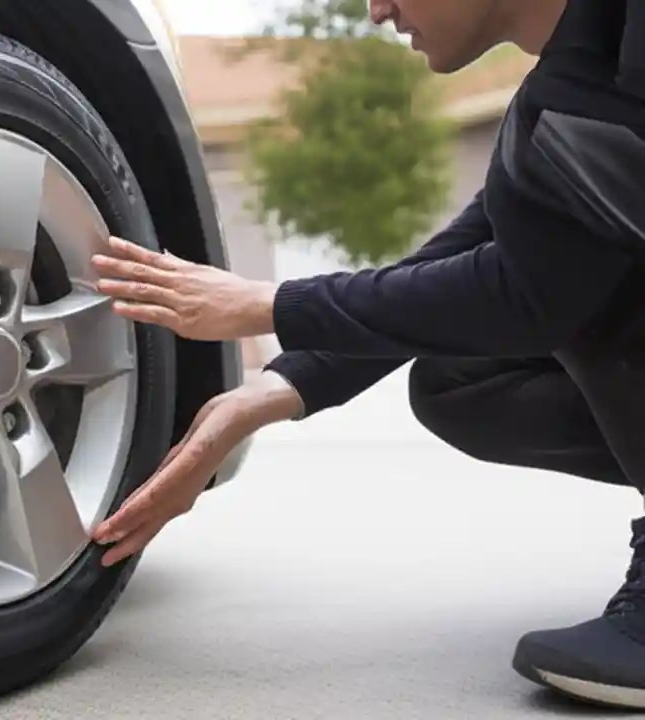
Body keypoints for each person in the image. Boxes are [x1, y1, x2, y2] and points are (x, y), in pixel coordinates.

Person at [89, 0, 645, 708]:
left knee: (592, 291)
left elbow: (531, 293)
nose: (377, 9)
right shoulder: (575, 87)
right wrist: (271, 390)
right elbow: (482, 254)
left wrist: (267, 303)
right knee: (461, 379)